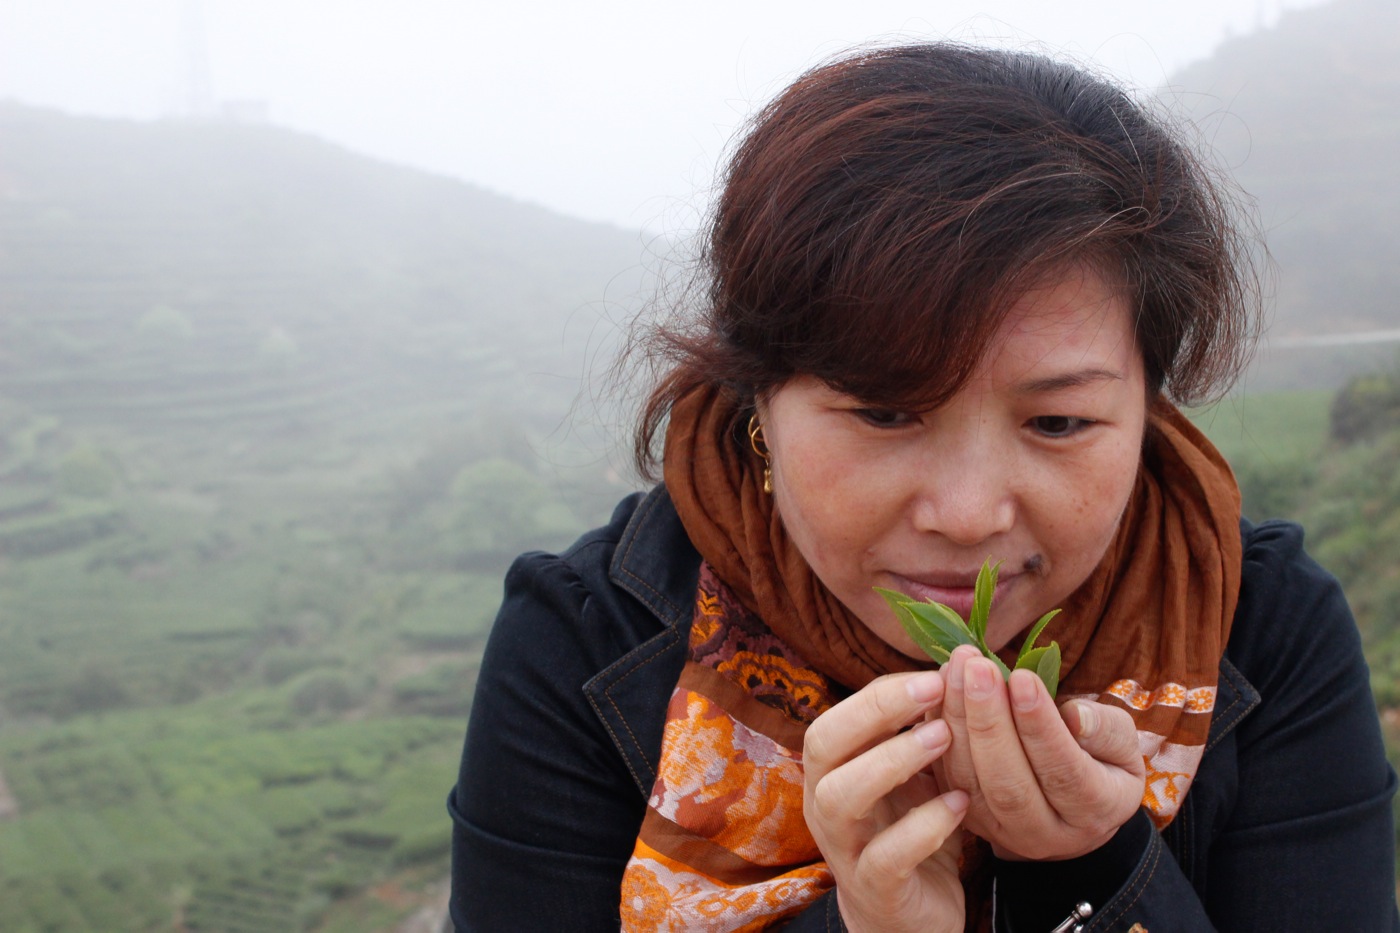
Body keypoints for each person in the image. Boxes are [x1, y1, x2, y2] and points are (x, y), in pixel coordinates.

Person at [448, 43, 1399, 931]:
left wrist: (1089, 868)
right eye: (885, 413)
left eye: (1058, 423)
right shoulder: (583, 644)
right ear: (757, 400)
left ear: (1148, 408)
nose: (968, 514)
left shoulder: (1263, 626)